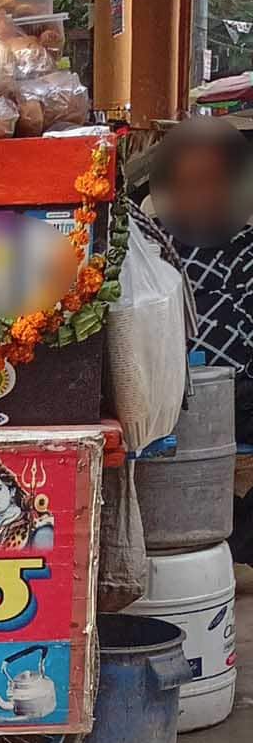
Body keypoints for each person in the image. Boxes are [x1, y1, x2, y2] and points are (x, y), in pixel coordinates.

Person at [149, 118, 253, 561]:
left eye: (213, 182)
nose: (202, 195)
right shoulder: (149, 245)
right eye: (189, 184)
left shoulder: (247, 247)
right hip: (165, 398)